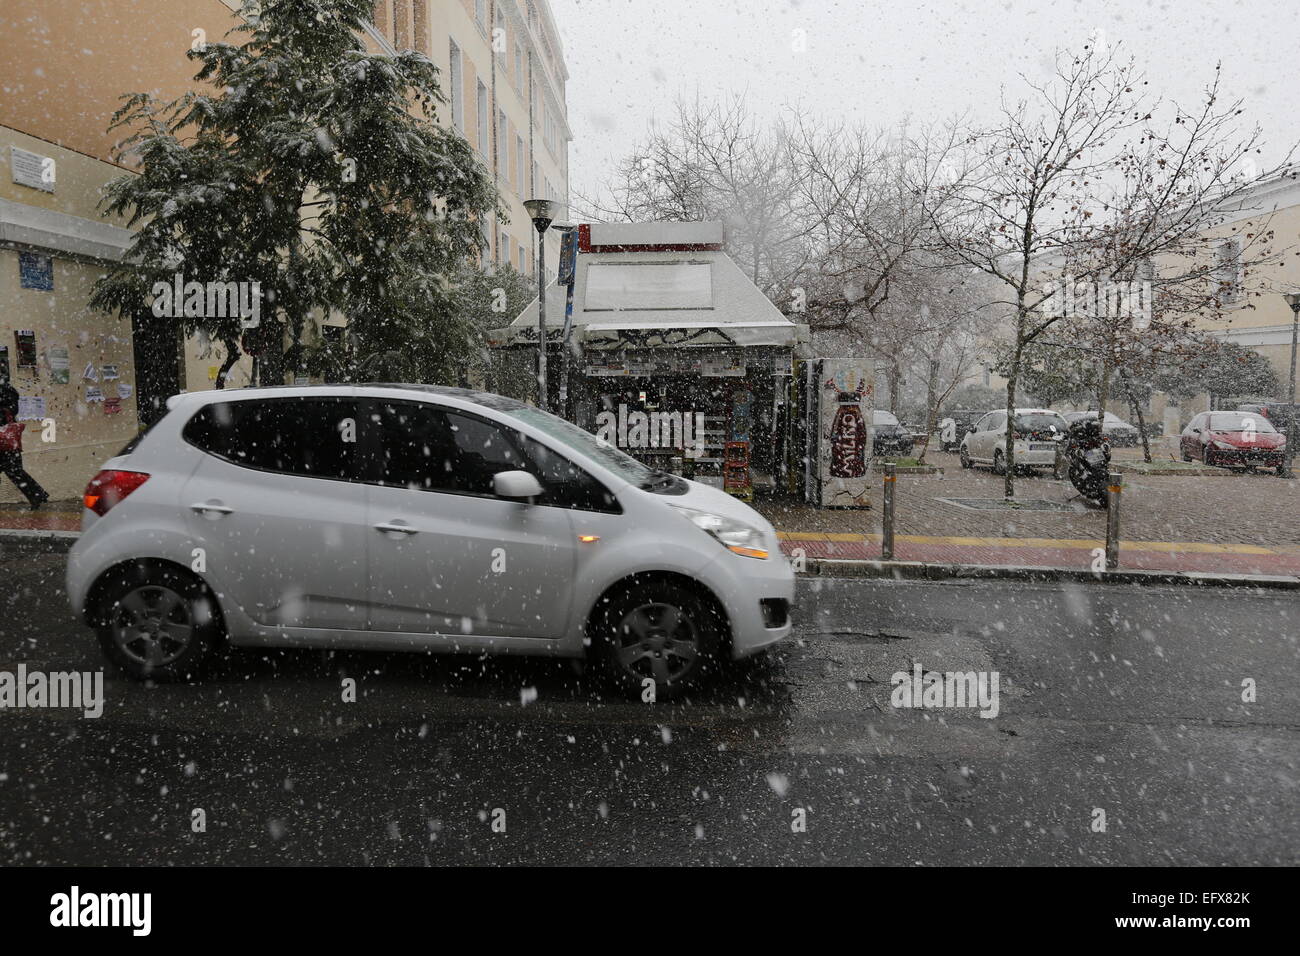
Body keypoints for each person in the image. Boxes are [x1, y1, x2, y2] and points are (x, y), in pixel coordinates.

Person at [0, 383, 49, 510]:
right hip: (6, 443)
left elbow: (12, 409)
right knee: (16, 473)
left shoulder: (6, 389)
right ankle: (37, 495)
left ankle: (37, 495)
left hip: (6, 442)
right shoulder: (7, 389)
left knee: (16, 473)